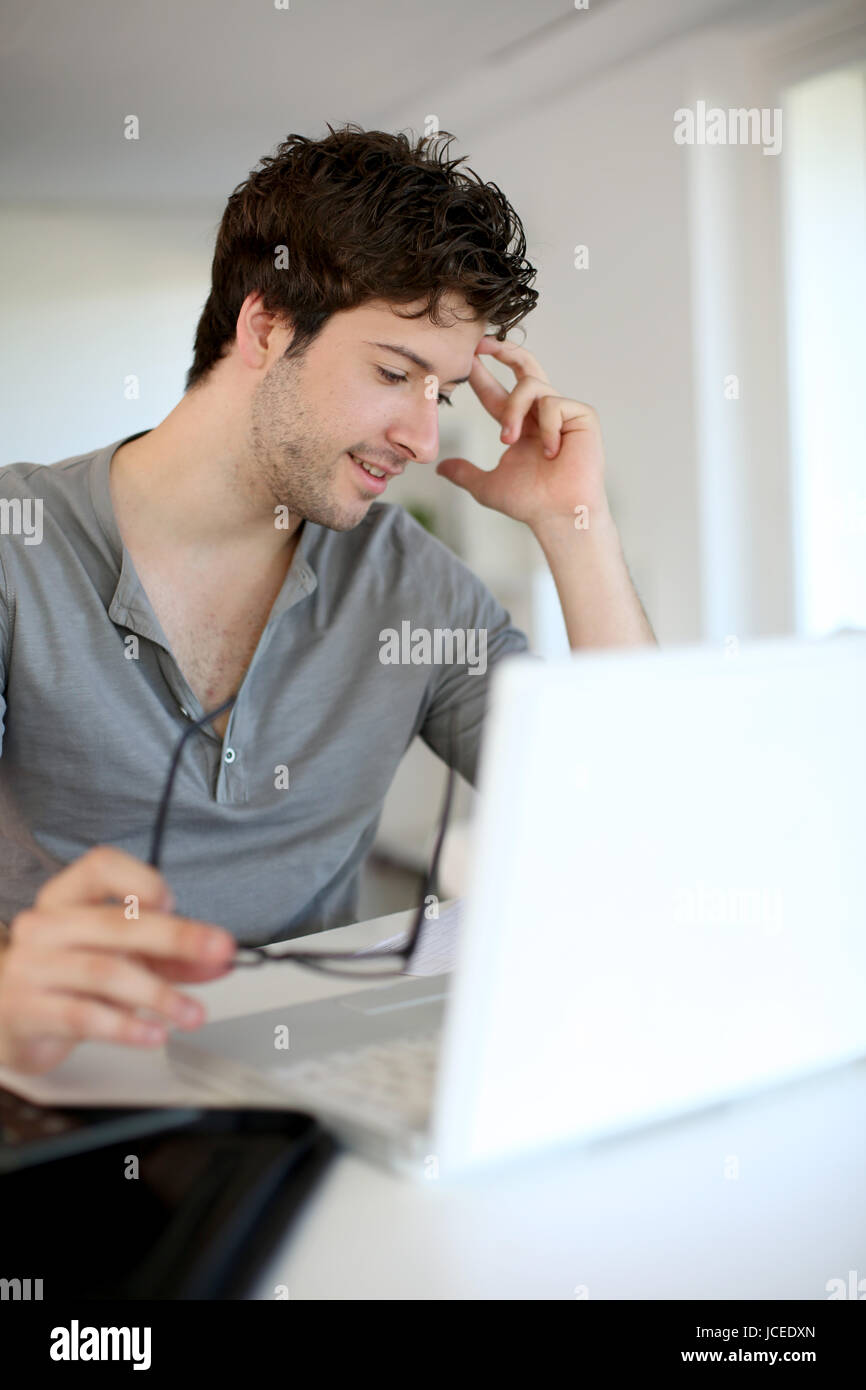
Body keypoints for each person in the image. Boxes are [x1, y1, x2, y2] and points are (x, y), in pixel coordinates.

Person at [0, 124, 655, 1075]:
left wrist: (575, 523)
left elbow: (624, 818)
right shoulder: (19, 544)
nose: (424, 438)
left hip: (306, 1087)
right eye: (394, 373)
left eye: (442, 391)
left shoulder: (408, 582)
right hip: (59, 1083)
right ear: (265, 329)